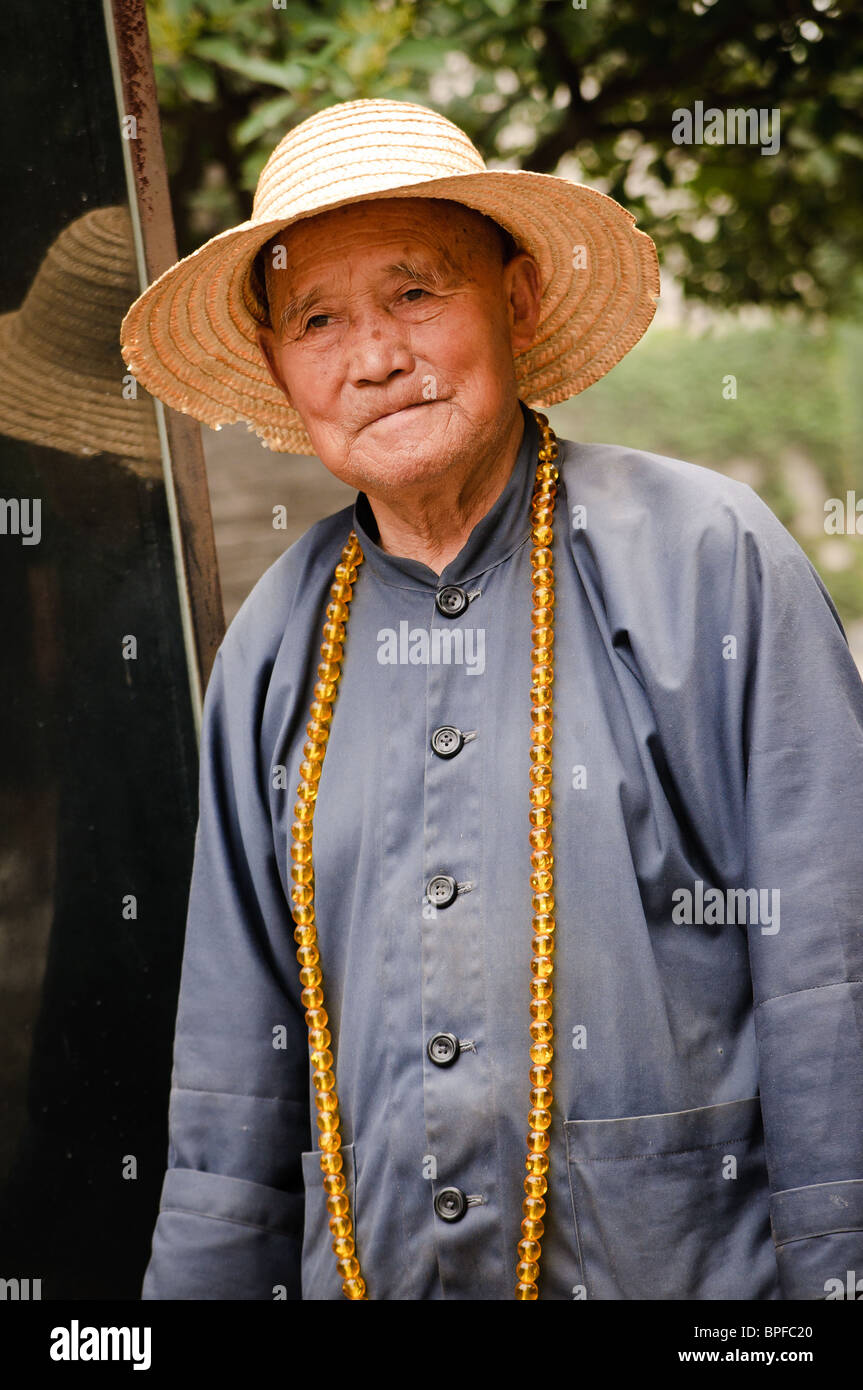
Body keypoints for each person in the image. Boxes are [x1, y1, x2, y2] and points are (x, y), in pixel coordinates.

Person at [121, 98, 863, 1301]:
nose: (373, 358)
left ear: (513, 301)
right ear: (276, 365)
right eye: (317, 319)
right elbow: (230, 1079)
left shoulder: (703, 560)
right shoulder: (272, 645)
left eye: (416, 294)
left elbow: (832, 980)